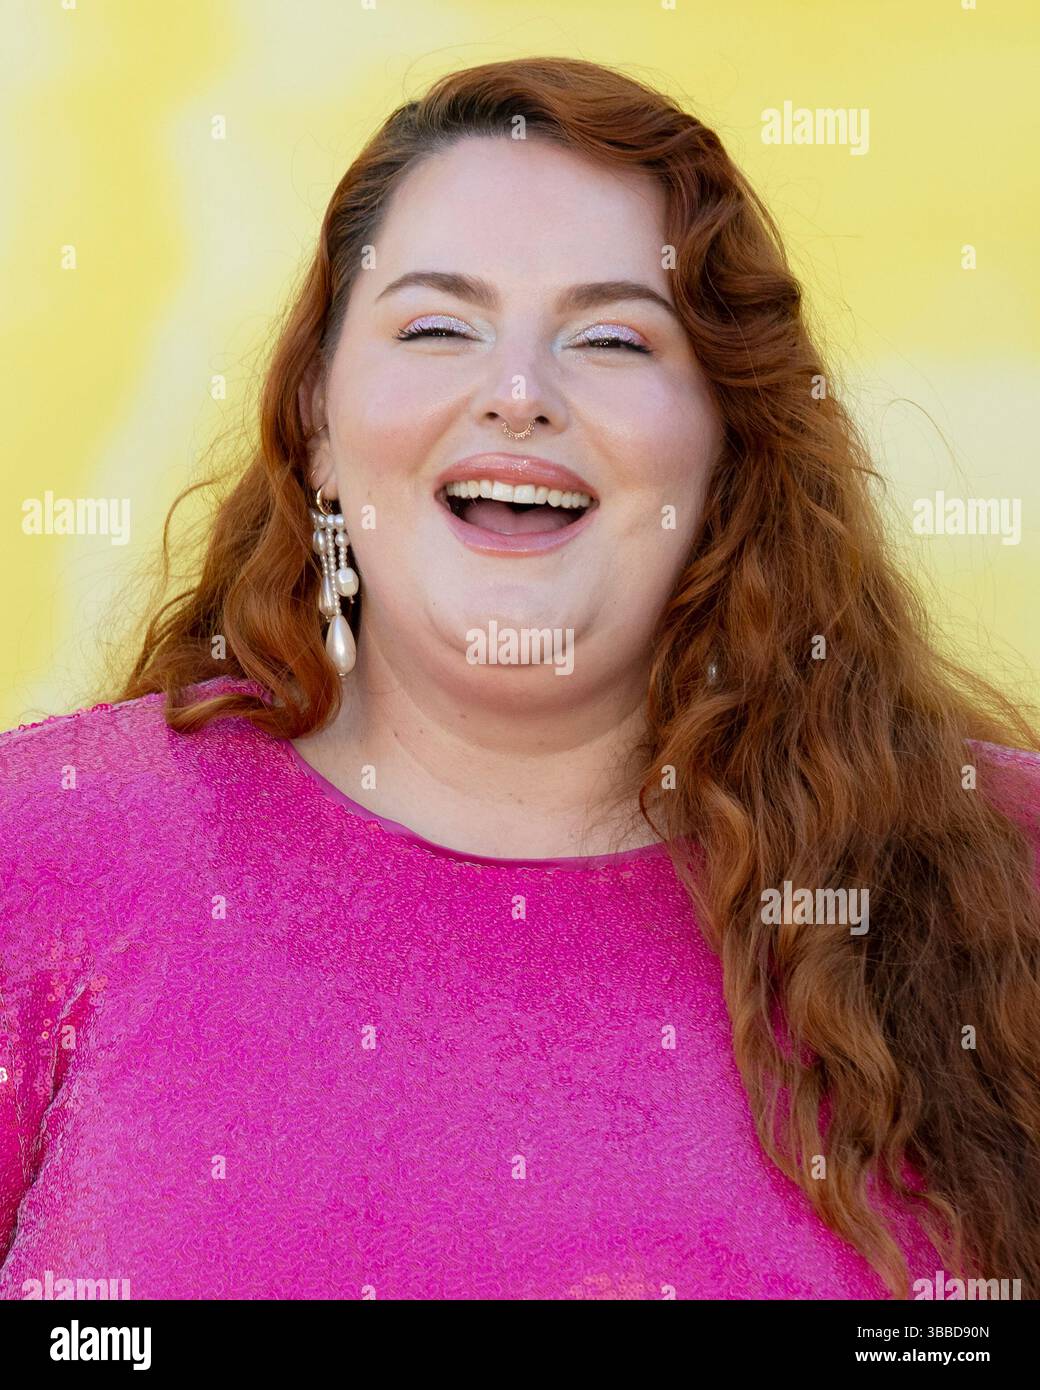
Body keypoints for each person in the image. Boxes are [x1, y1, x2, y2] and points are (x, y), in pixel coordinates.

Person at [2, 56, 1039, 1301]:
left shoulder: (1001, 873)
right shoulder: (44, 845)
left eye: (610, 338)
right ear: (318, 423)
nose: (516, 394)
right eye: (438, 324)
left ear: (725, 446)